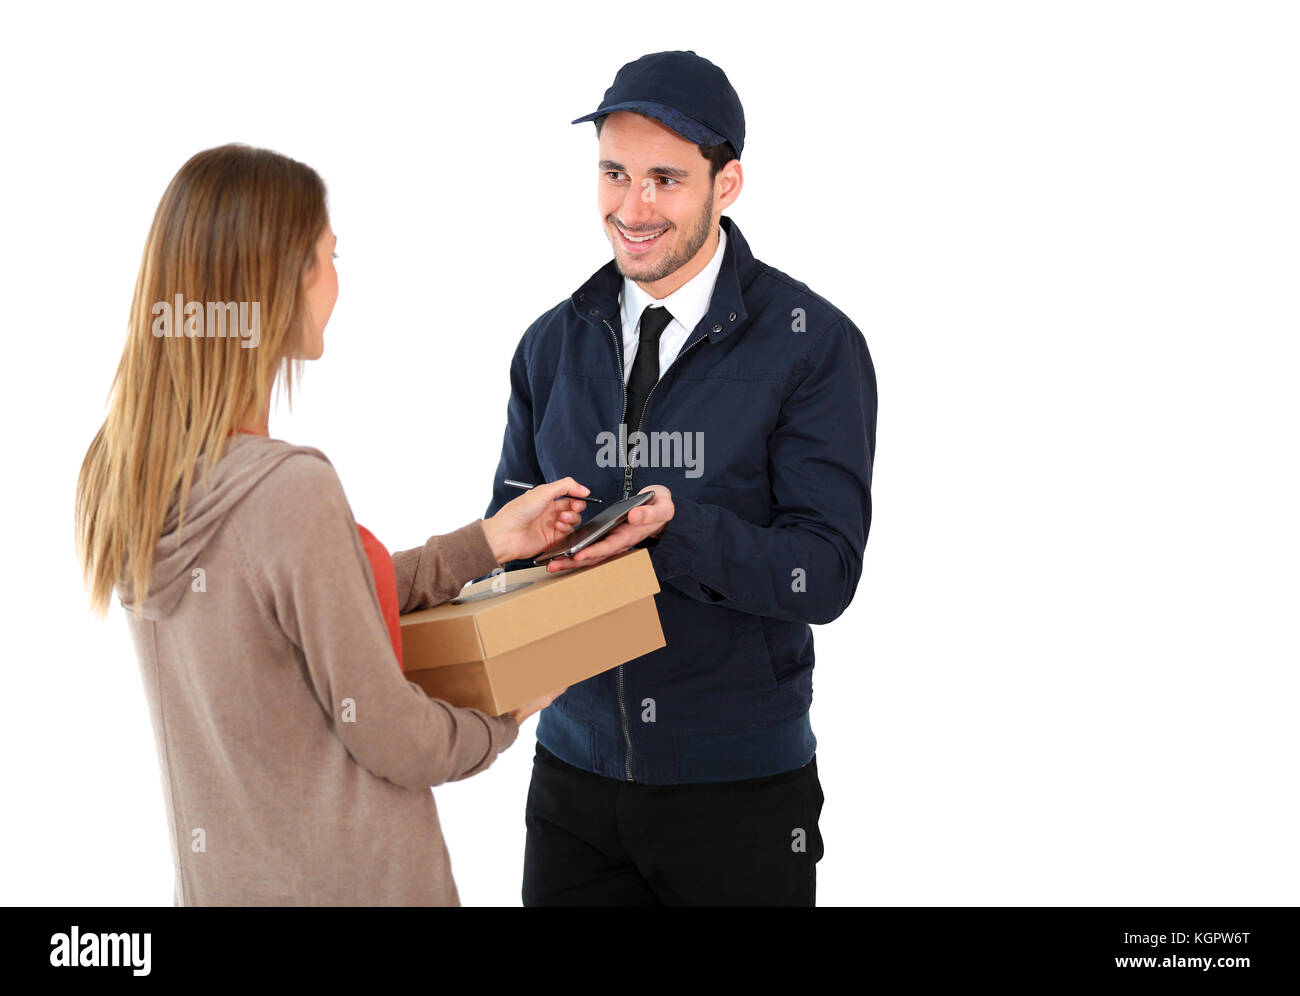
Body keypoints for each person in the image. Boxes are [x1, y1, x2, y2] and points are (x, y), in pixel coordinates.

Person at [75, 143, 580, 906]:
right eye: (328, 256)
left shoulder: (129, 476)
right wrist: (503, 718)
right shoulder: (289, 489)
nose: (338, 279)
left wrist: (485, 544)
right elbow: (395, 737)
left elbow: (299, 600)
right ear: (280, 281)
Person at [485, 50, 877, 906]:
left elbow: (825, 573)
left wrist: (677, 530)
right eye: (615, 174)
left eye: (665, 178)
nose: (634, 207)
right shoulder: (550, 343)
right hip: (572, 788)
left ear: (726, 183)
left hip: (739, 798)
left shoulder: (813, 344)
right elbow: (504, 538)